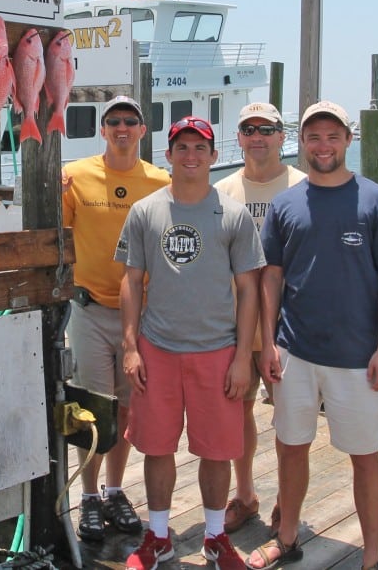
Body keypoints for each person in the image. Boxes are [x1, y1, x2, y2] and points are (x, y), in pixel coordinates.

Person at [251, 101, 378, 570]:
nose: (323, 146)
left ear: (348, 140)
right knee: (290, 447)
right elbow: (271, 278)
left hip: (358, 357)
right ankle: (286, 536)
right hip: (295, 352)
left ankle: (373, 556)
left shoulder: (377, 200)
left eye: (333, 136)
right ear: (301, 143)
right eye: (314, 137)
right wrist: (270, 343)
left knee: (365, 457)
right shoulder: (285, 204)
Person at [118, 115, 264, 570]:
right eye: (182, 147)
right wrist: (130, 345)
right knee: (156, 447)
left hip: (217, 352)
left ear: (214, 156)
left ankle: (216, 536)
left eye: (200, 147)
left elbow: (248, 290)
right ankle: (158, 536)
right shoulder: (145, 211)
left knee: (217, 450)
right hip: (157, 349)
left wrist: (243, 356)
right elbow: (131, 281)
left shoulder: (234, 215)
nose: (191, 155)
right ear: (169, 155)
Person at [62, 95, 170, 543]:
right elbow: (56, 238)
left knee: (126, 409)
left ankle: (114, 489)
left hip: (141, 316)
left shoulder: (161, 181)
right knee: (91, 408)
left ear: (143, 131)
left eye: (130, 121)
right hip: (87, 310)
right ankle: (87, 496)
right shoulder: (74, 176)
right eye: (113, 122)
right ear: (102, 130)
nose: (122, 128)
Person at [214, 103, 306, 534]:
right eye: (248, 129)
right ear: (239, 137)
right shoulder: (223, 190)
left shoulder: (304, 187)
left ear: (281, 136)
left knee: (289, 420)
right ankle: (246, 494)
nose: (257, 136)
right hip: (234, 326)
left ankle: (288, 506)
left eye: (266, 129)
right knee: (238, 412)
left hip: (289, 327)